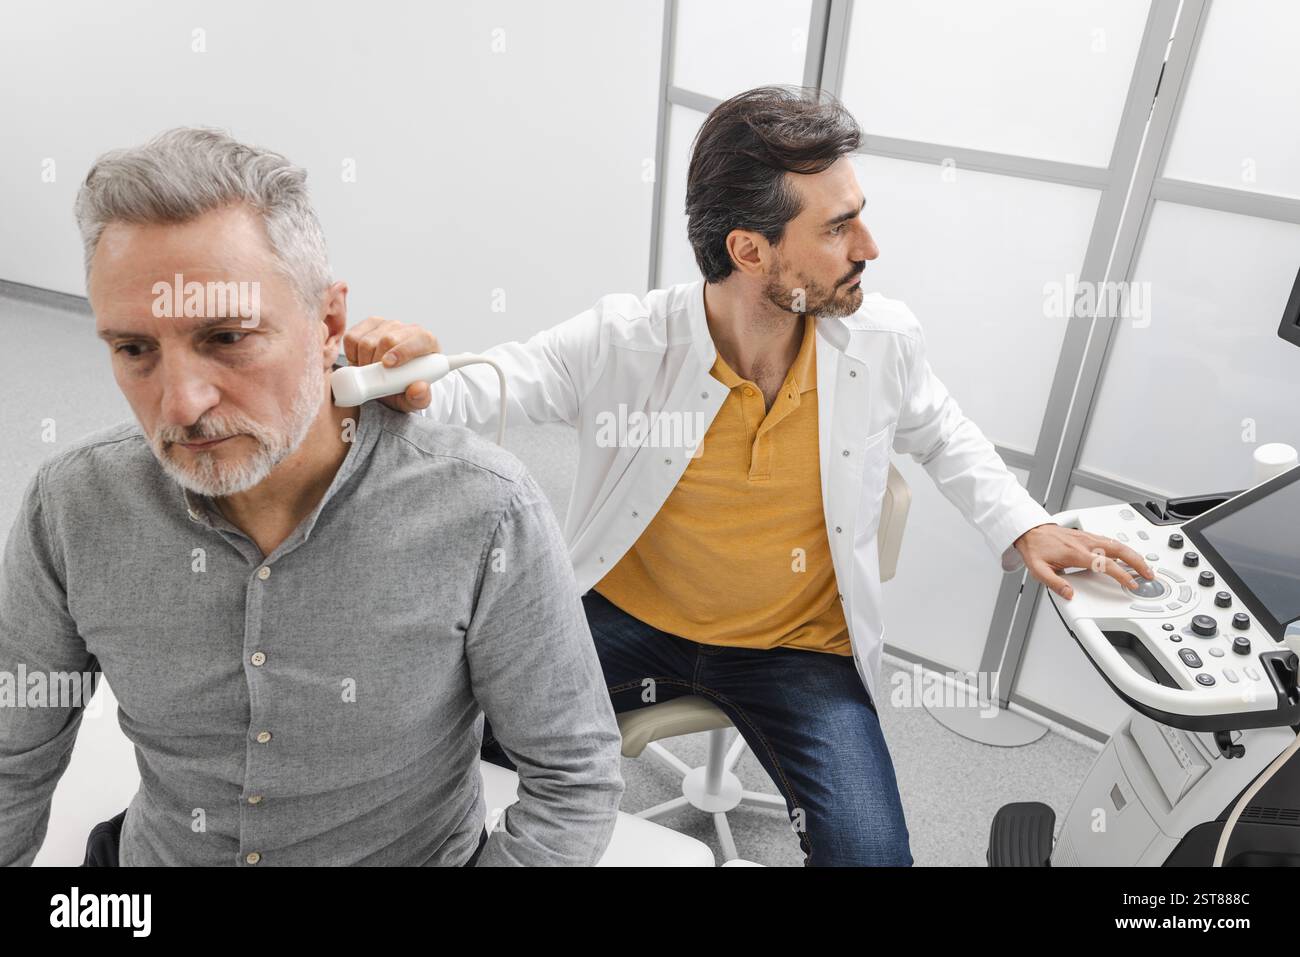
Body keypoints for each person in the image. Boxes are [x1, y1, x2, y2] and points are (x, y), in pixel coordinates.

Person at [348, 86, 1155, 866]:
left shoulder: (881, 341)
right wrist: (406, 373)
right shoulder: (628, 342)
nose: (869, 247)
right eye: (840, 227)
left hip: (797, 649)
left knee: (872, 857)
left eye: (860, 216)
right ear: (749, 249)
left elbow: (945, 432)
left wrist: (1025, 522)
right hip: (621, 620)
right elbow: (489, 384)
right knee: (455, 753)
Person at [0, 128, 623, 867]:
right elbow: (11, 756)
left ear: (328, 323)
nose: (181, 404)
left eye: (227, 337)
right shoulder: (72, 506)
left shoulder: (485, 513)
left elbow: (574, 778)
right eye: (135, 349)